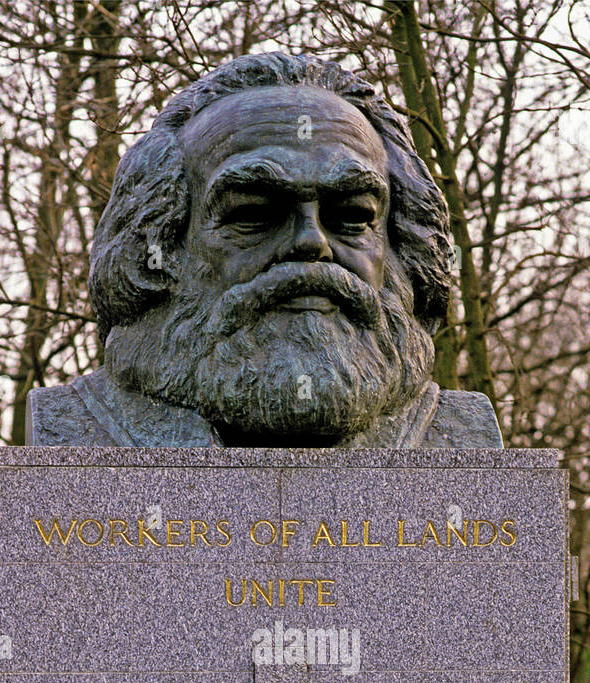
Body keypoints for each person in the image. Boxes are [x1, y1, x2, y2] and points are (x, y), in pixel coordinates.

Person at [28, 52, 502, 450]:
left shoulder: (463, 436)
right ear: (163, 244)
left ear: (399, 248)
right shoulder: (71, 431)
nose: (311, 242)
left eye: (353, 216)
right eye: (254, 213)